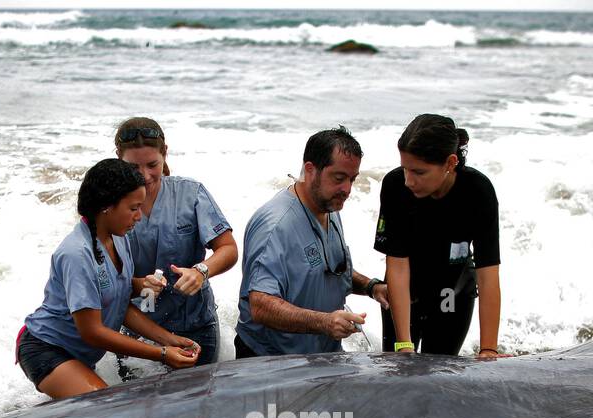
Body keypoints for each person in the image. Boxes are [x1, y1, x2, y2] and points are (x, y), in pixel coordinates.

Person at [14, 159, 199, 399]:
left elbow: (118, 303)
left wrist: (170, 339)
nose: (139, 216)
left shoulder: (118, 238)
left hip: (78, 353)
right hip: (46, 348)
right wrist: (162, 353)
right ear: (106, 207)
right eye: (133, 208)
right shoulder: (77, 254)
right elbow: (92, 332)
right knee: (107, 409)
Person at [234, 126, 389, 357]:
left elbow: (327, 271)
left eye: (352, 179)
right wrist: (325, 322)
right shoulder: (275, 226)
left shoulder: (329, 206)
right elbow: (260, 304)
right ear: (310, 170)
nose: (347, 189)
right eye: (339, 178)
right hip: (269, 362)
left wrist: (371, 287)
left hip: (319, 357)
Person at [374, 114, 502, 359]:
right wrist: (404, 345)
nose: (409, 181)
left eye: (419, 172)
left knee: (442, 376)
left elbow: (488, 274)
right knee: (400, 375)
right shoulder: (395, 187)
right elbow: (398, 267)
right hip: (405, 291)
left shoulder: (478, 191)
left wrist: (488, 349)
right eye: (405, 169)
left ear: (450, 163)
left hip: (453, 292)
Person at [115, 117, 238, 368]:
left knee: (200, 401)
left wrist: (201, 271)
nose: (145, 176)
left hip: (196, 326)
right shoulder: (110, 205)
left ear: (165, 154)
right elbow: (103, 280)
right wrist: (139, 284)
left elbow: (228, 249)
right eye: (133, 167)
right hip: (136, 330)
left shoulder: (190, 193)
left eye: (152, 165)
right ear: (118, 157)